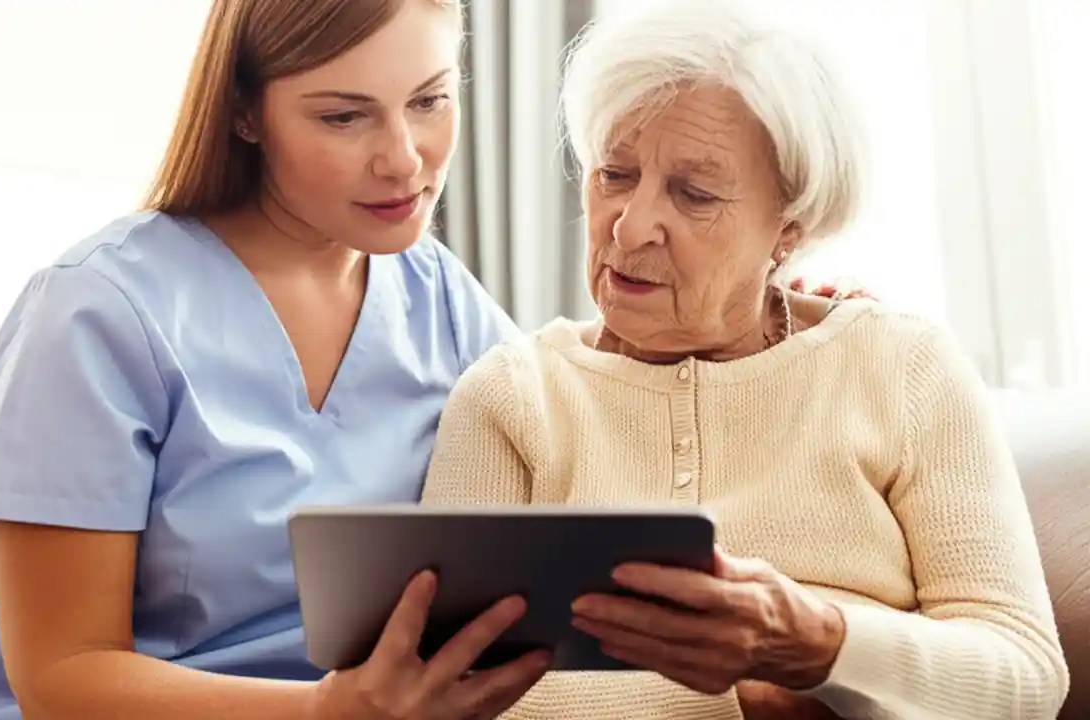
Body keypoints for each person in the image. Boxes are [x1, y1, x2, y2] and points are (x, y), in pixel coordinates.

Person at [0, 1, 554, 717]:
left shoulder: (444, 301)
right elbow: (61, 676)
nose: (403, 157)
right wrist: (324, 713)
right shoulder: (98, 310)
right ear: (244, 112)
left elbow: (563, 494)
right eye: (343, 117)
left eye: (429, 101)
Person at [420, 1, 1072, 719]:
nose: (630, 229)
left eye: (694, 194)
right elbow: (445, 690)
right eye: (614, 174)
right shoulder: (510, 398)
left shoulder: (903, 366)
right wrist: (755, 702)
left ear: (789, 228)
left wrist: (820, 646)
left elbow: (1026, 677)